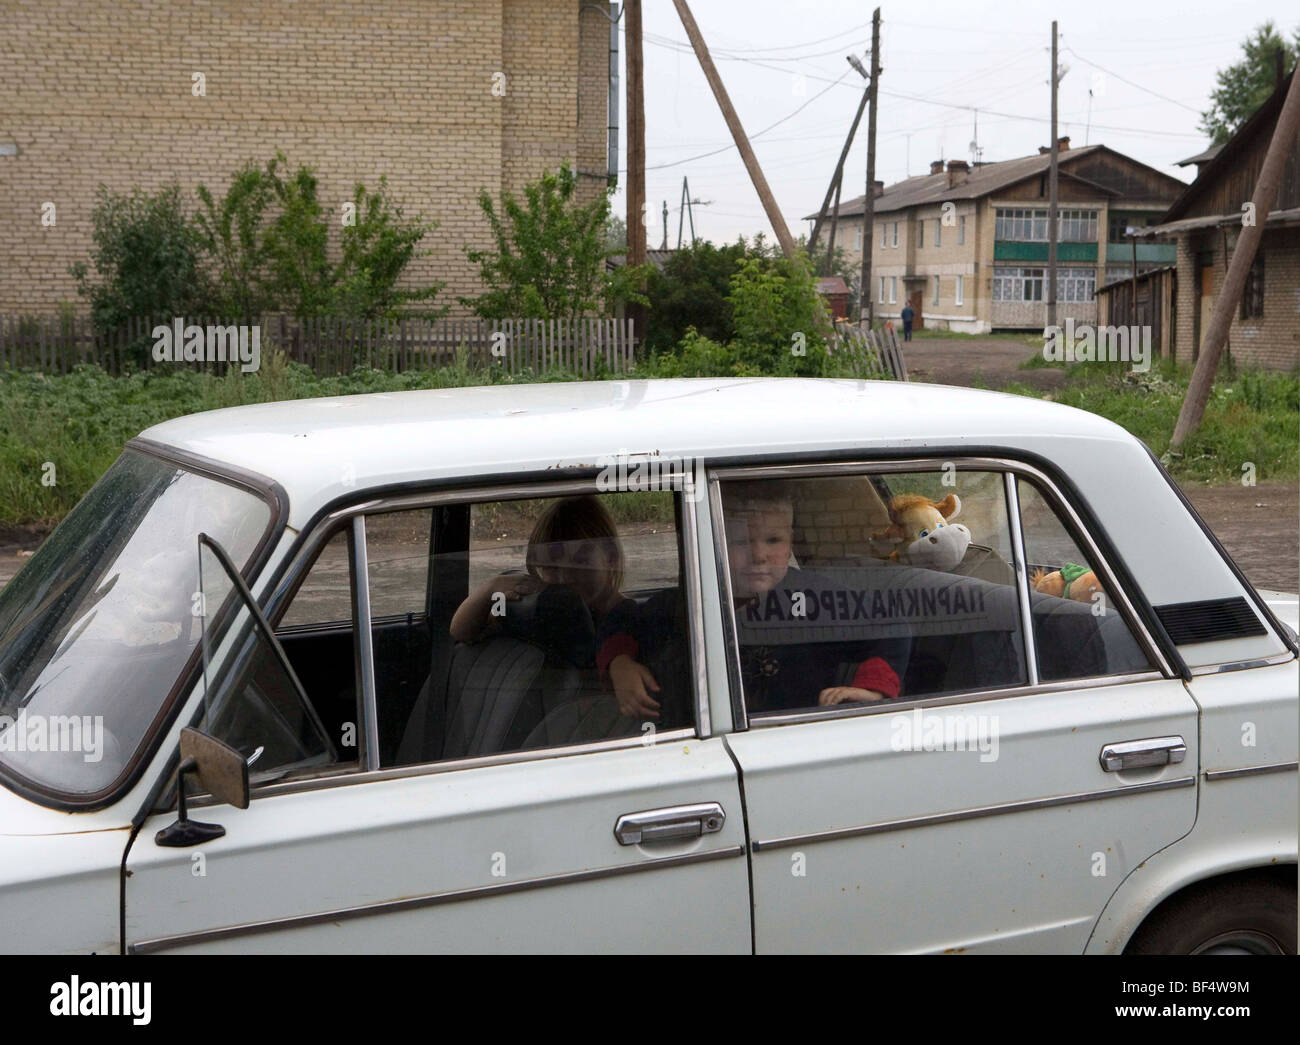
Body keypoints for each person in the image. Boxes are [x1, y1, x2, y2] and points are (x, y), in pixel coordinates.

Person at [601, 481, 908, 719]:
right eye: (740, 541)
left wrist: (870, 689)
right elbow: (619, 622)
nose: (759, 555)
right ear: (715, 545)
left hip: (799, 737)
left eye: (773, 540)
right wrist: (620, 663)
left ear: (789, 545)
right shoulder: (685, 603)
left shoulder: (819, 600)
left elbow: (890, 626)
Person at [450, 495, 630, 645]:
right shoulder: (545, 612)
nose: (565, 576)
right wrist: (493, 587)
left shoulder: (630, 619)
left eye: (580, 562)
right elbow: (461, 631)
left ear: (611, 558)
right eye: (551, 567)